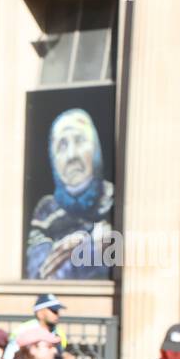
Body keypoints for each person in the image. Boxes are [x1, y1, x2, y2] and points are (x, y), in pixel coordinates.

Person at [25, 108, 115, 281]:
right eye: (62, 145)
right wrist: (91, 248)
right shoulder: (46, 212)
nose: (72, 155)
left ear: (96, 149)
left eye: (80, 140)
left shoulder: (115, 201)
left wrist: (71, 254)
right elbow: (41, 276)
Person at [4, 294, 75, 359]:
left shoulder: (59, 333)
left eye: (57, 311)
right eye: (53, 311)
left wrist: (65, 357)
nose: (57, 314)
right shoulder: (23, 331)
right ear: (40, 313)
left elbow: (58, 355)